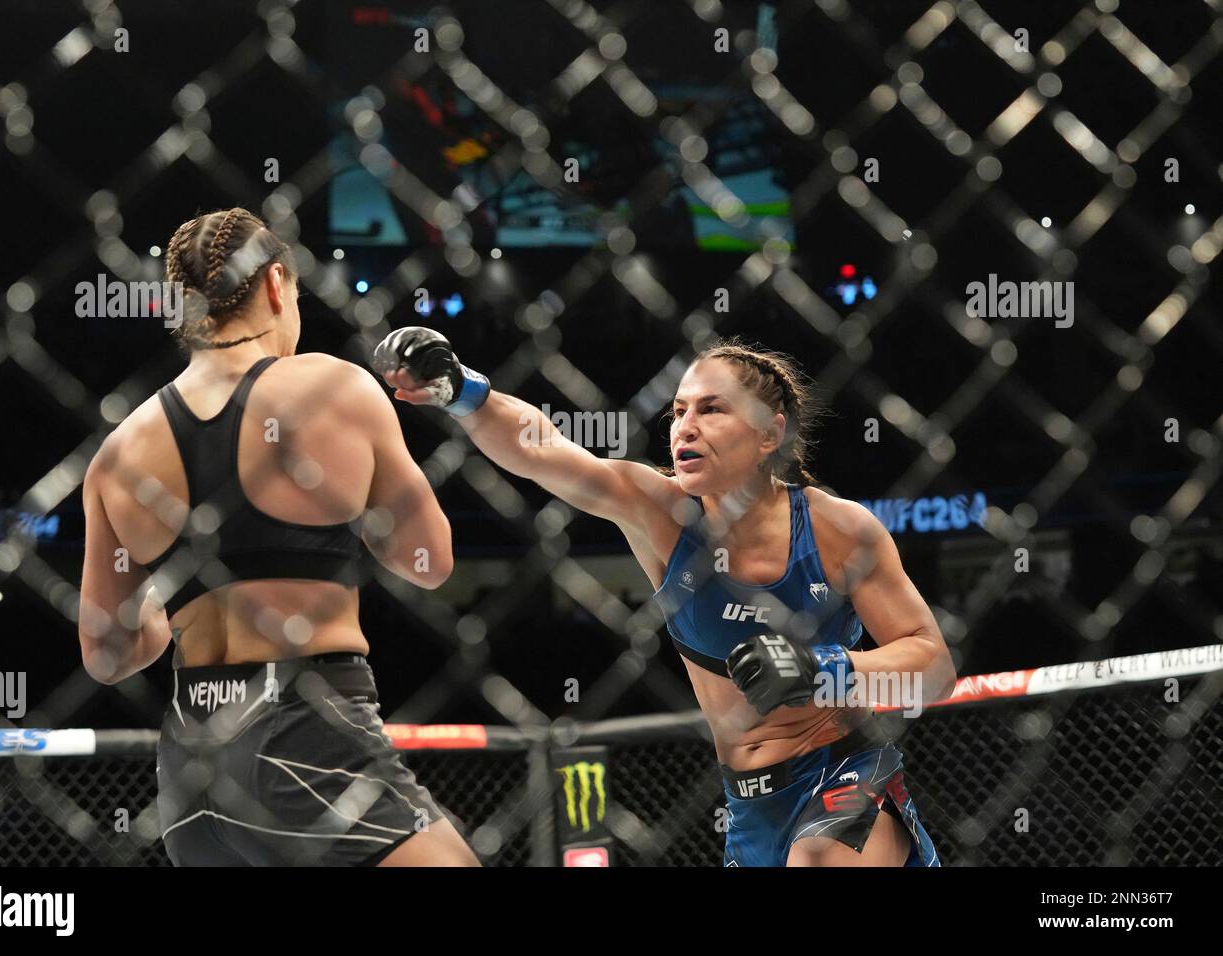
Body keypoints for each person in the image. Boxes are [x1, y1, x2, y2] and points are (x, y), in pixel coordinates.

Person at [373, 327, 955, 867]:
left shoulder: (837, 529)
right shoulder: (660, 515)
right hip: (749, 806)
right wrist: (462, 390)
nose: (685, 427)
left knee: (818, 859)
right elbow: (543, 451)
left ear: (769, 433)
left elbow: (934, 673)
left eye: (711, 409)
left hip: (845, 772)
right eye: (678, 411)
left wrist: (823, 670)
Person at [78, 208, 477, 866]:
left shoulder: (117, 454)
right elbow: (429, 561)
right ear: (273, 284)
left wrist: (174, 594)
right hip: (307, 731)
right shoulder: (330, 387)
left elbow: (107, 652)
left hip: (189, 775)